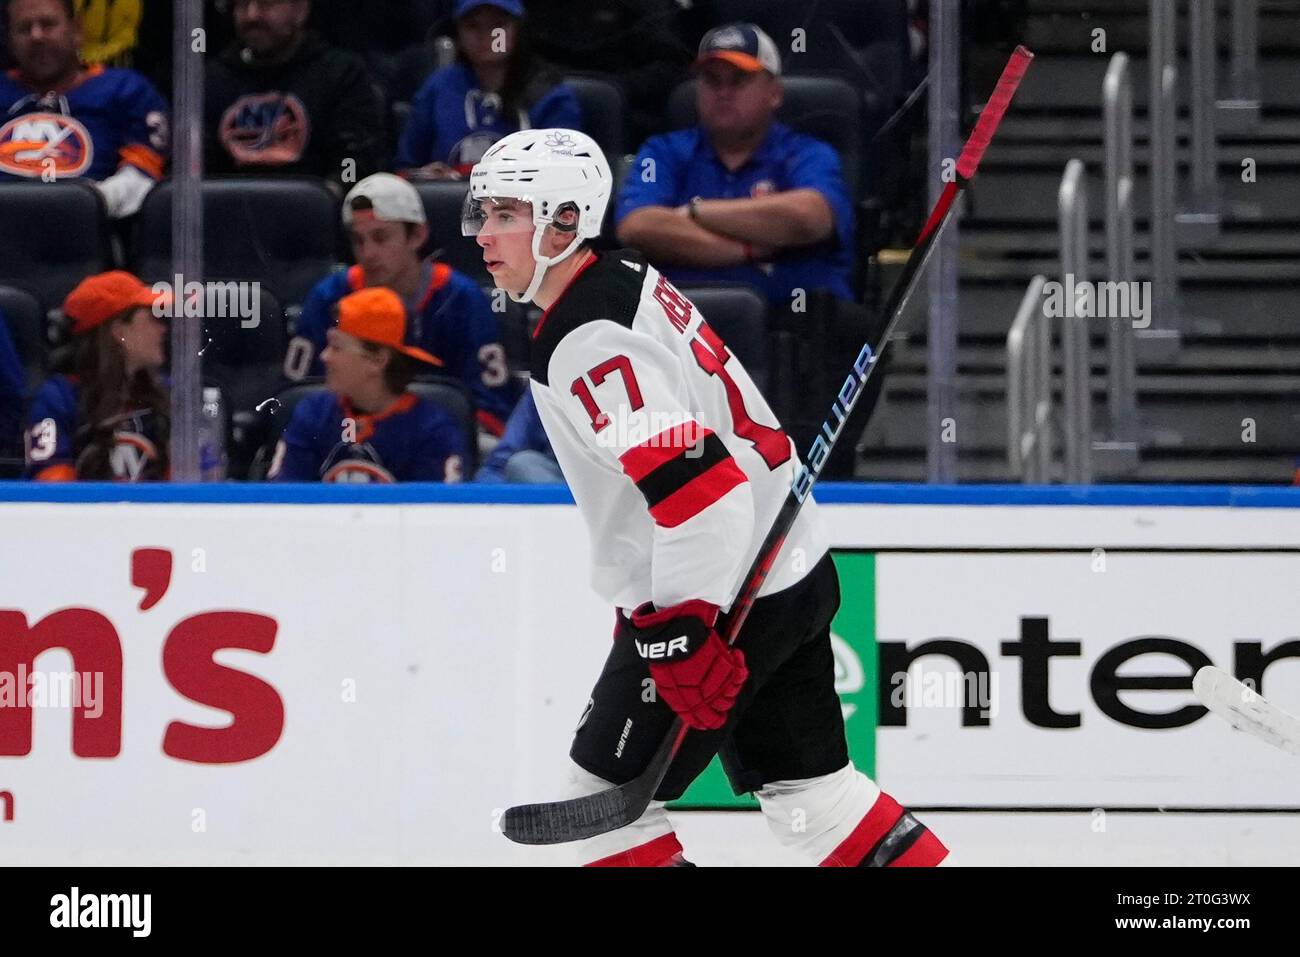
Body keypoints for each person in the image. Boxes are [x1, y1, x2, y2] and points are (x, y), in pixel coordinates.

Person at [466, 128, 949, 866]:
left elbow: (703, 488)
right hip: (785, 569)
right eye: (482, 212)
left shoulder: (588, 336)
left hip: (724, 598)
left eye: (505, 214)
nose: (482, 233)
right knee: (816, 801)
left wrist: (682, 627)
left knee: (601, 817)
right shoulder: (621, 275)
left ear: (565, 223)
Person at [616, 23, 854, 307]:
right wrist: (751, 249)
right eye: (712, 81)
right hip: (681, 325)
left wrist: (696, 211)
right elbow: (637, 226)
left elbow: (809, 216)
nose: (724, 92)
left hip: (789, 321)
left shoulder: (807, 153)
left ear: (774, 93)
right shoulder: (663, 151)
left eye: (739, 80)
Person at [285, 172, 517, 437]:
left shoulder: (462, 298)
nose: (368, 253)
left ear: (417, 235)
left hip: (438, 441)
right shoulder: (328, 297)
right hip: (344, 438)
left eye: (381, 237)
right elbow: (296, 395)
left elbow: (491, 403)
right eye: (358, 240)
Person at [269, 286, 467, 483]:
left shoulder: (432, 431)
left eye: (336, 347)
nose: (324, 356)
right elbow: (280, 500)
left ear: (378, 360)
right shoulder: (312, 414)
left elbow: (434, 510)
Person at [0, 0, 167, 218]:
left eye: (48, 24)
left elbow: (144, 172)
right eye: (24, 28)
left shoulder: (125, 89)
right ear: (9, 39)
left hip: (91, 235)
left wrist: (92, 202)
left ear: (76, 29)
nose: (36, 36)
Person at [204, 0, 385, 186]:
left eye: (266, 4)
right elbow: (196, 166)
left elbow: (357, 162)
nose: (252, 16)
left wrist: (332, 194)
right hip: (228, 209)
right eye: (242, 5)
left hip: (316, 210)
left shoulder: (342, 74)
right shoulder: (211, 79)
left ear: (301, 10)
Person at [395, 0, 579, 180]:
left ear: (518, 30)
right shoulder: (438, 86)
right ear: (457, 33)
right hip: (450, 206)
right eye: (472, 26)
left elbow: (564, 175)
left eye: (498, 25)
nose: (486, 35)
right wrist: (424, 176)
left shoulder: (550, 95)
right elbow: (405, 169)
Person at [24, 270, 170, 481]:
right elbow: (52, 489)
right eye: (152, 318)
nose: (162, 329)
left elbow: (195, 479)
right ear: (119, 331)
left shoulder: (166, 394)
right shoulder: (58, 398)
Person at [473, 388, 560, 482]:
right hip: (553, 479)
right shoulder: (543, 389)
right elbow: (500, 462)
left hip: (573, 479)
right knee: (521, 464)